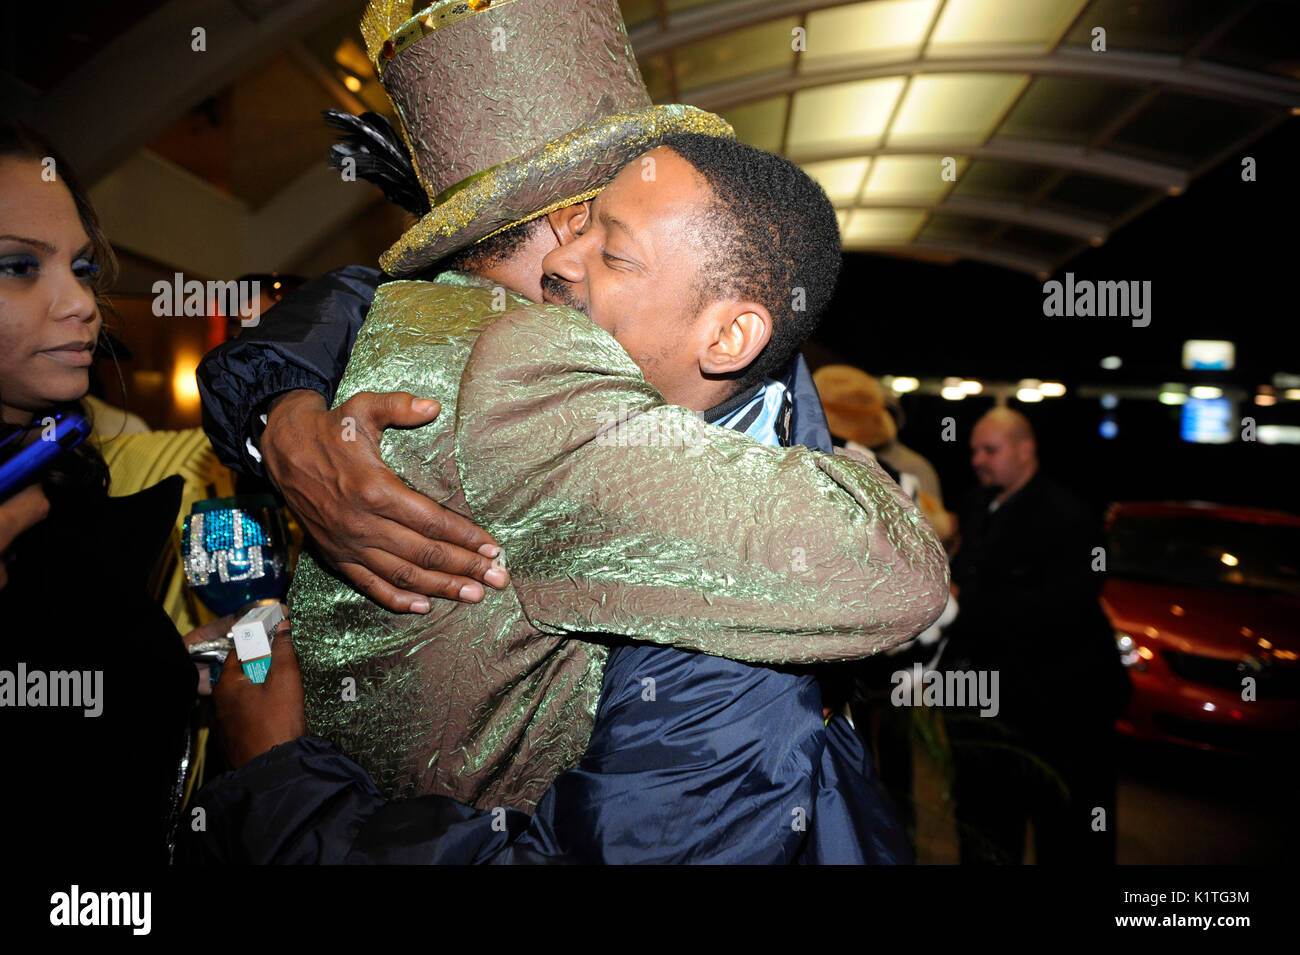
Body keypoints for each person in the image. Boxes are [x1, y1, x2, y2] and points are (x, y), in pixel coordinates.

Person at [0, 120, 229, 864]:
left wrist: (163, 665)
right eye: (18, 268)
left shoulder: (74, 470)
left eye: (81, 268)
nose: (82, 306)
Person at [943, 407, 1130, 864]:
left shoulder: (1068, 517)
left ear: (1026, 450)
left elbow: (1064, 605)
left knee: (1068, 836)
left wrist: (963, 599)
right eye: (973, 450)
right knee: (986, 835)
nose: (978, 460)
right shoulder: (976, 505)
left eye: (990, 449)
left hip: (1063, 714)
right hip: (988, 711)